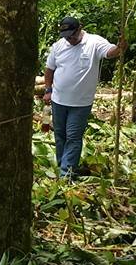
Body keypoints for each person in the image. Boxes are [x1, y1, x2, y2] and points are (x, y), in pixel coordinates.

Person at [42, 17, 126, 178]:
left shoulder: (93, 42)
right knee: (60, 134)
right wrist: (48, 89)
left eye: (72, 35)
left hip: (80, 103)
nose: (69, 39)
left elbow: (110, 52)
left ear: (80, 29)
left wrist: (120, 47)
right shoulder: (58, 46)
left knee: (73, 136)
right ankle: (63, 164)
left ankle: (67, 173)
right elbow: (49, 69)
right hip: (58, 99)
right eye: (66, 36)